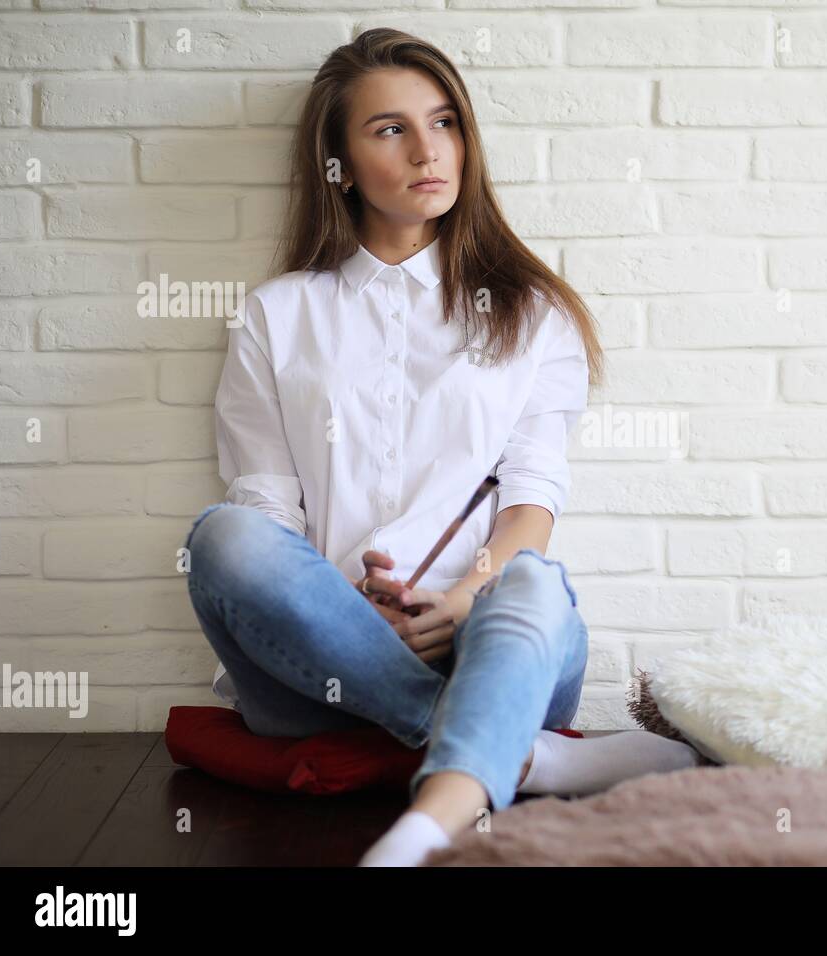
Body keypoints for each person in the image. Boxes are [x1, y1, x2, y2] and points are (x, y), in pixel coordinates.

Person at [184, 28, 704, 868]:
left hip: (491, 643)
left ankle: (440, 802)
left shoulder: (534, 315)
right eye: (389, 129)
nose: (429, 150)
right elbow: (266, 516)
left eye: (444, 122)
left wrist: (463, 598)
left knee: (532, 579)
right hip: (320, 667)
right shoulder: (276, 315)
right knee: (221, 537)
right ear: (338, 165)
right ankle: (526, 755)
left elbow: (533, 493)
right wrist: (352, 612)